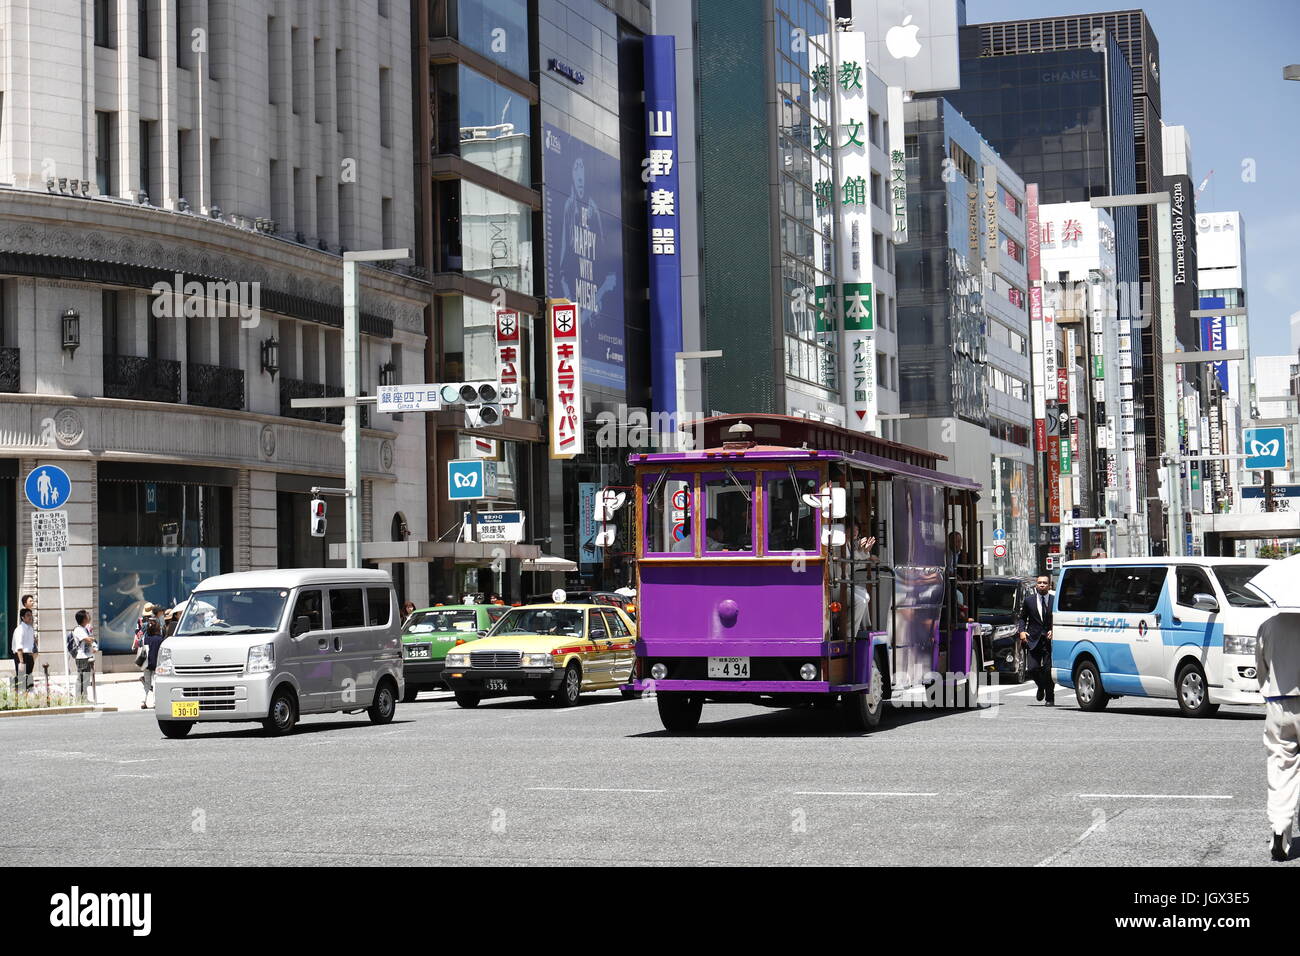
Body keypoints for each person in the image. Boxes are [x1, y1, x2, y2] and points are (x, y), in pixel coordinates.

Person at [1256, 606, 1300, 861]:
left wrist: (1268, 693)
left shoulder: (1269, 625)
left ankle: (1280, 827)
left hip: (1279, 701)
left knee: (1281, 767)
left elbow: (1261, 668)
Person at [1018, 573, 1055, 705]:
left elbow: (1058, 618)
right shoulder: (1029, 601)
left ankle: (1050, 698)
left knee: (1047, 670)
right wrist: (1022, 631)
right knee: (1032, 669)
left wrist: (1054, 630)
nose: (1042, 585)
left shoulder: (1054, 600)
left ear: (1049, 585)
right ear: (1036, 585)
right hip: (1033, 639)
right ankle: (1041, 686)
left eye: (1045, 583)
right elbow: (1022, 618)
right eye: (1039, 582)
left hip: (1049, 641)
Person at [139, 615, 168, 710]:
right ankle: (155, 702)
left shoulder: (145, 639)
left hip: (146, 663)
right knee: (155, 683)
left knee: (147, 683)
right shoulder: (160, 640)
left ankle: (143, 700)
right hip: (156, 664)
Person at [72, 610, 96, 701]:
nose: (89, 617)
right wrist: (91, 639)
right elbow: (88, 640)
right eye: (87, 616)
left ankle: (84, 698)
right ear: (83, 619)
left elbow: (90, 639)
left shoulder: (85, 628)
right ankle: (80, 699)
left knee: (85, 679)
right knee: (81, 679)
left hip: (86, 657)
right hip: (81, 657)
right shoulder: (78, 629)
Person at [11, 607, 36, 691]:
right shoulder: (20, 629)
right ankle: (18, 698)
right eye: (28, 615)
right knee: (21, 680)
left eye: (31, 615)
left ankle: (29, 698)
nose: (30, 617)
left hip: (29, 656)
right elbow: (19, 647)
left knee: (29, 679)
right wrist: (21, 662)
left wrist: (32, 657)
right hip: (21, 656)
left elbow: (32, 645)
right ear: (22, 617)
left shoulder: (31, 629)